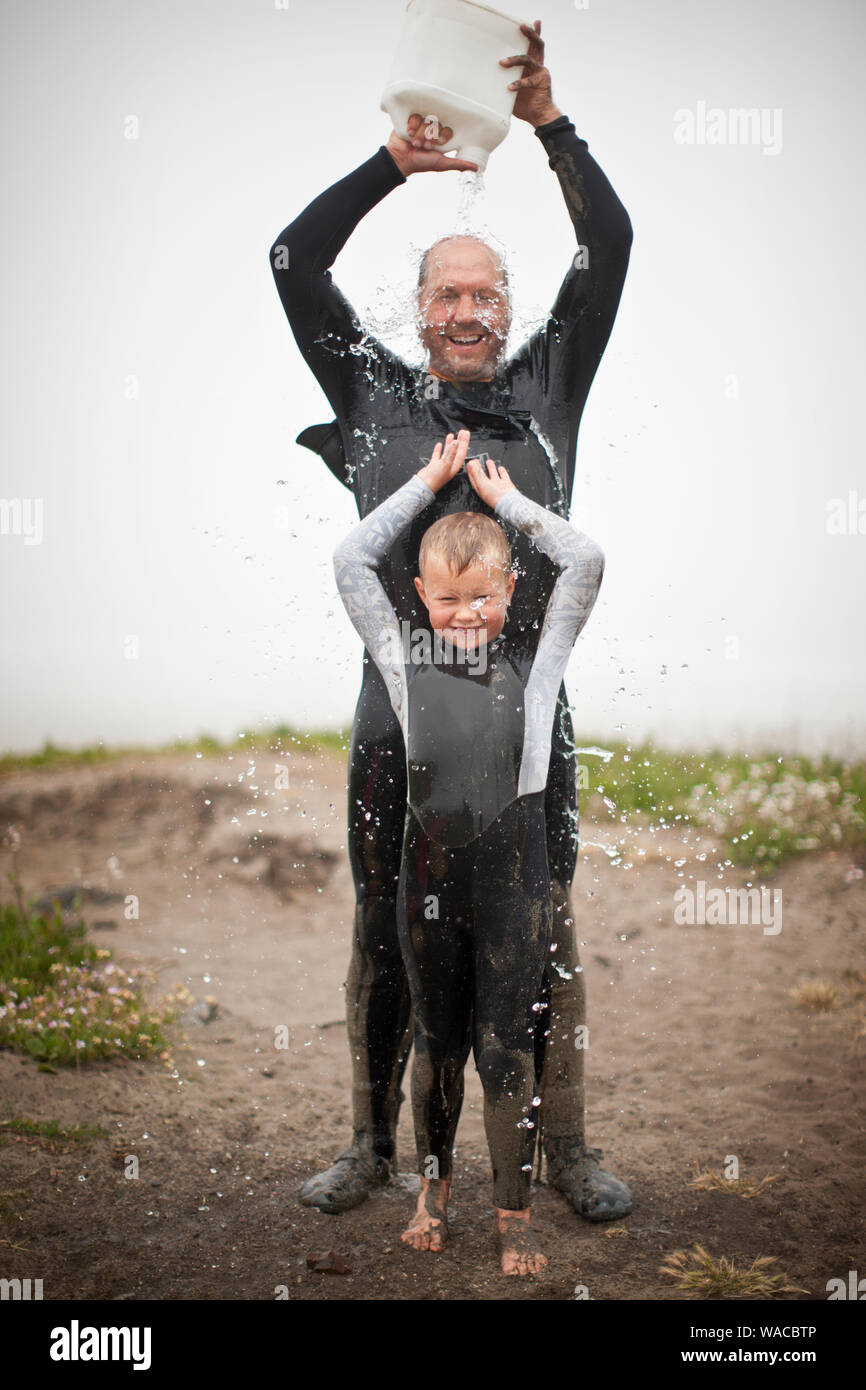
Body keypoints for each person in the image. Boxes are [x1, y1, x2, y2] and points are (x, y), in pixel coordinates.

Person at [270, 19, 633, 1219]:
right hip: (397, 722)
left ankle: (565, 1153)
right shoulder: (372, 393)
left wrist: (545, 125)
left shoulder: (546, 387)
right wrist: (393, 164)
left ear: (505, 306)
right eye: (447, 292)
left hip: (530, 725)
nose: (467, 308)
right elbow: (288, 258)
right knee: (384, 927)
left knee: (545, 933)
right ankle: (371, 1147)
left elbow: (612, 240)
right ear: (419, 308)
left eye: (485, 291)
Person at [333, 430, 605, 1275]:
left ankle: (513, 1217)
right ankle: (432, 1191)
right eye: (447, 601)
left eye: (482, 598)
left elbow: (586, 559)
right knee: (436, 1042)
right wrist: (427, 482)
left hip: (512, 884)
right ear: (420, 596)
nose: (465, 615)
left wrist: (507, 504)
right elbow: (350, 560)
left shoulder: (540, 664)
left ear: (509, 589)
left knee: (505, 1050)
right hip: (430, 883)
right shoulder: (401, 658)